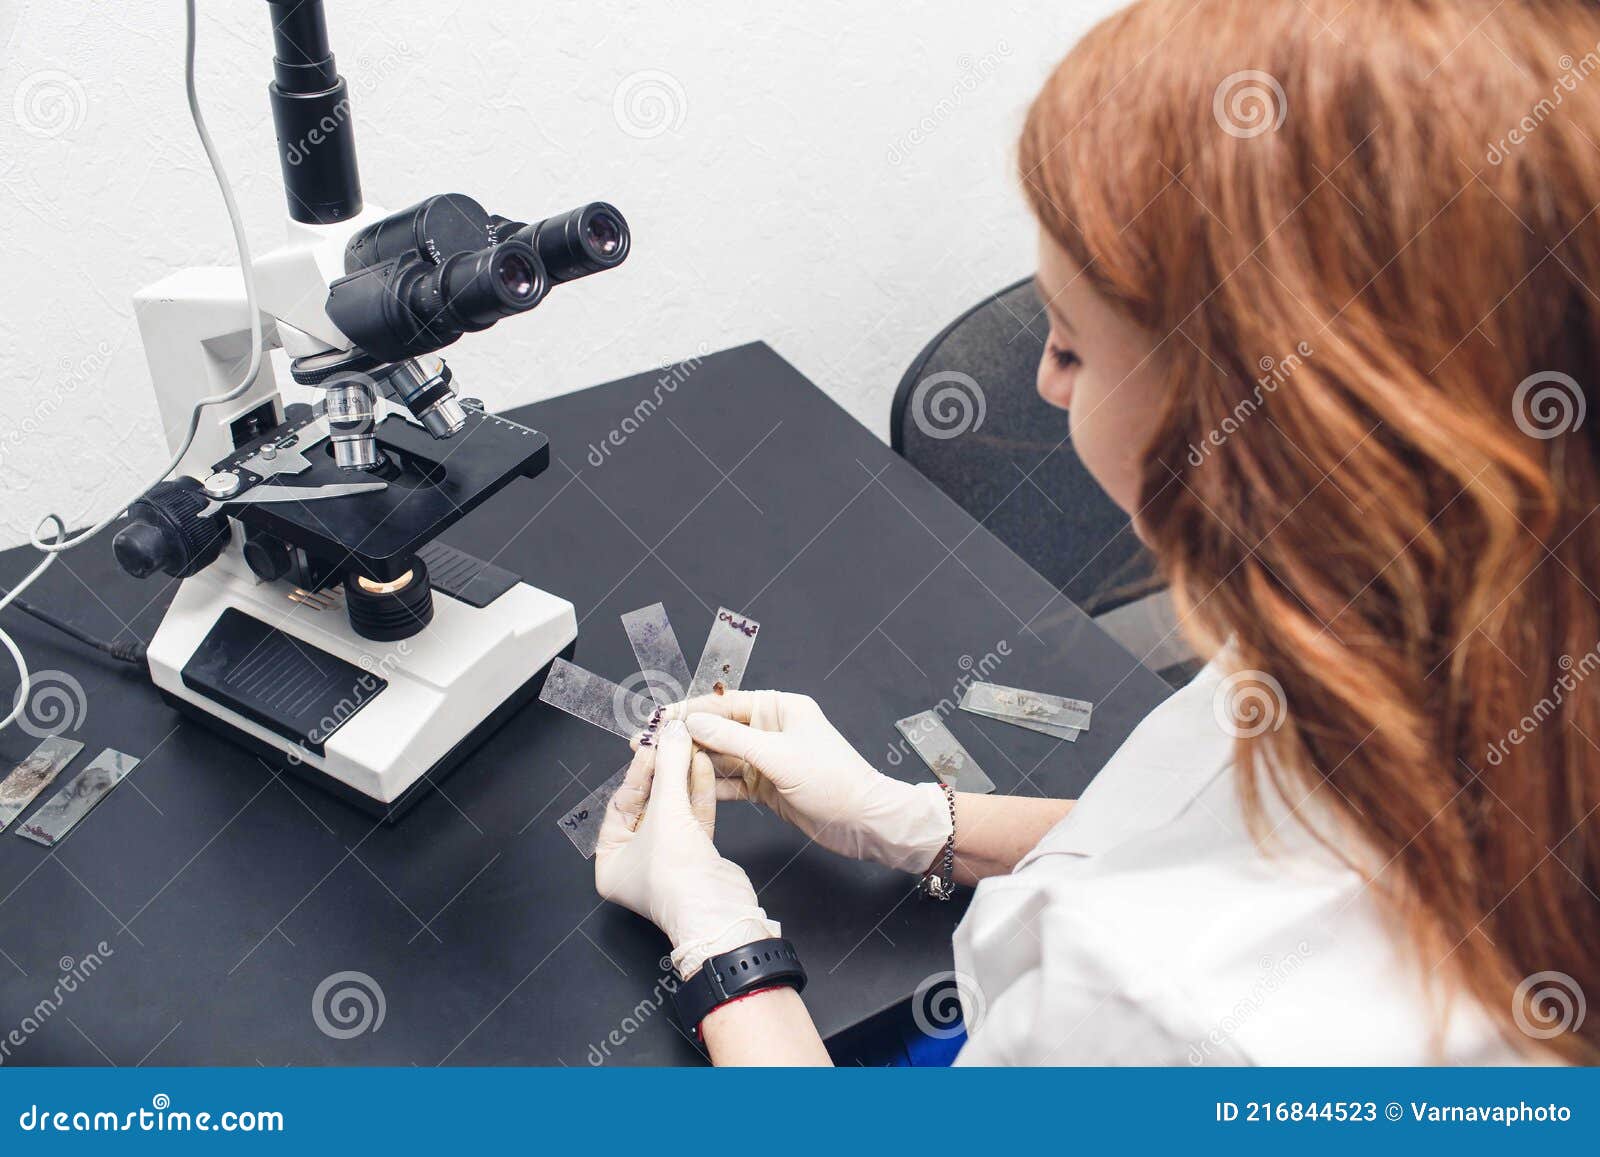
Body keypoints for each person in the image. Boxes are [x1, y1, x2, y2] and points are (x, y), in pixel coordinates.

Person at [594, 0, 1600, 1065]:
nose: (1039, 376)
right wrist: (914, 821)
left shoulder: (1157, 1004)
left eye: (1070, 346)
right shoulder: (1446, 603)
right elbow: (1230, 834)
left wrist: (717, 937)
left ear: (1265, 427)